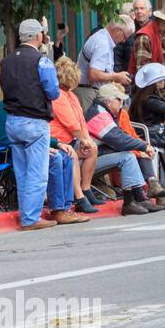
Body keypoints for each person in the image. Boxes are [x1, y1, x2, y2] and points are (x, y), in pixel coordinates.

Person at [0, 19, 87, 229]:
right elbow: (53, 91)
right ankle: (30, 218)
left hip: (13, 122)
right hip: (34, 122)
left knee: (22, 172)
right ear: (38, 36)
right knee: (38, 172)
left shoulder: (7, 61)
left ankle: (26, 215)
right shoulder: (42, 61)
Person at [84, 84, 165, 214]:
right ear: (109, 101)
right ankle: (129, 202)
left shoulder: (103, 111)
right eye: (119, 100)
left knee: (134, 152)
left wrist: (141, 148)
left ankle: (140, 197)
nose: (122, 103)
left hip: (96, 155)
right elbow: (119, 139)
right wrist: (143, 146)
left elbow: (121, 138)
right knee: (129, 156)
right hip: (89, 160)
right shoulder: (99, 114)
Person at [49, 54, 104, 215]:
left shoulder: (72, 95)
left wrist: (86, 140)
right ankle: (79, 197)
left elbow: (81, 121)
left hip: (72, 139)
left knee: (92, 148)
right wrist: (83, 139)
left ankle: (86, 189)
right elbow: (71, 123)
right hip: (59, 141)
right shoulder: (57, 95)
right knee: (72, 153)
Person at [75, 14, 134, 110]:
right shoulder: (102, 43)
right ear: (118, 31)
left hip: (89, 90)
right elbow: (93, 75)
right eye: (125, 37)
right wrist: (115, 76)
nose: (124, 41)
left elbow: (100, 71)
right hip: (87, 92)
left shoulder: (103, 38)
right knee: (92, 123)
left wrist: (117, 76)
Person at [129, 3, 165, 76]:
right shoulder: (145, 36)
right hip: (147, 84)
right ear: (160, 20)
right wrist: (157, 83)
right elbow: (143, 70)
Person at [115, 0, 150, 72]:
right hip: (129, 78)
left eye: (142, 8)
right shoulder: (127, 29)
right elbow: (118, 56)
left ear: (149, 11)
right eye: (136, 9)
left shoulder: (155, 30)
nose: (139, 11)